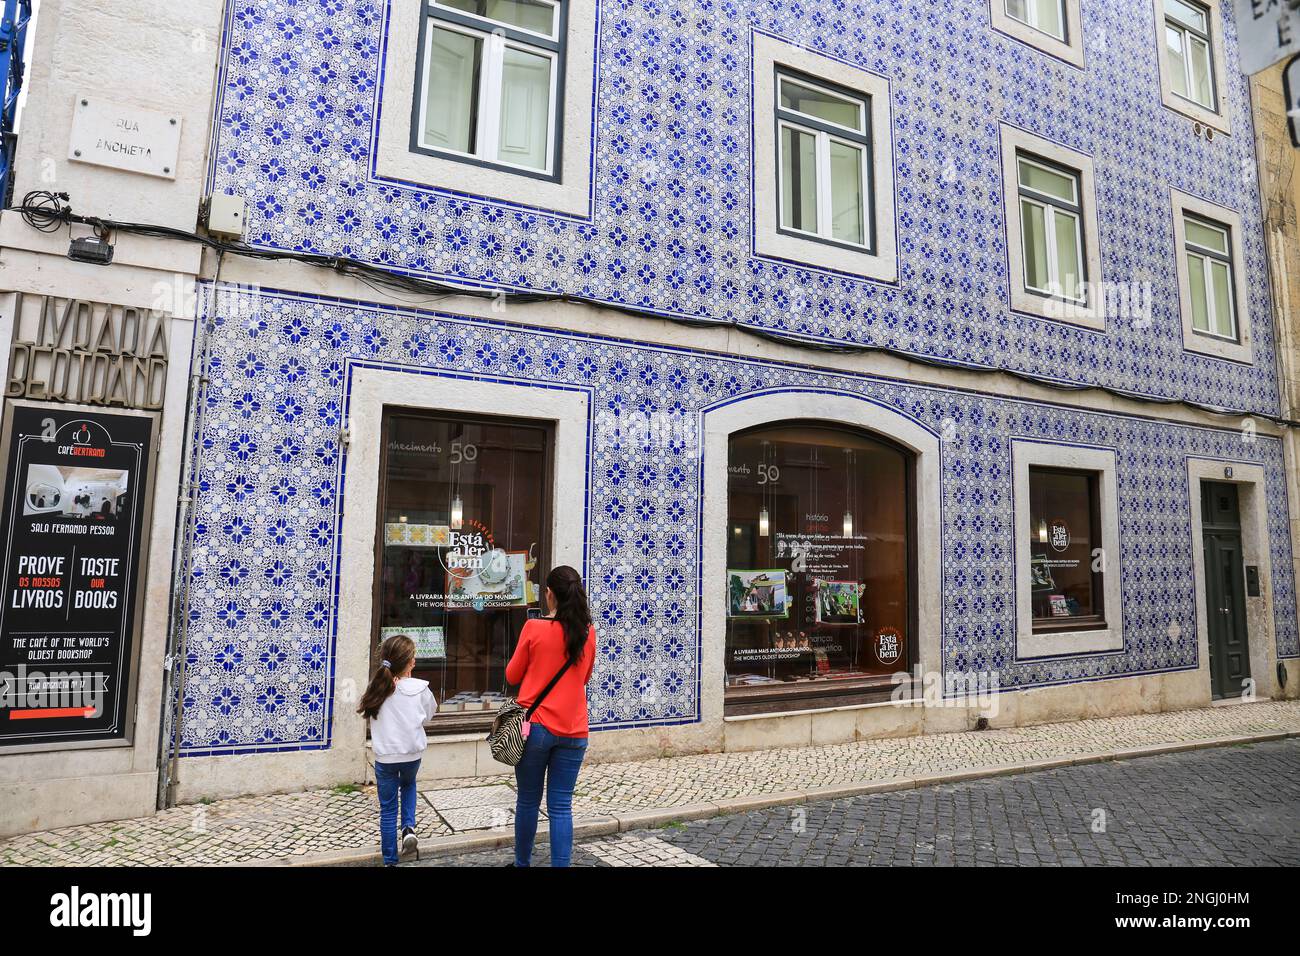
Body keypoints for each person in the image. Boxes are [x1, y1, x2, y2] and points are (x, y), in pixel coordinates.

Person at [505, 565, 597, 867]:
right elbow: (583, 678)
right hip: (574, 730)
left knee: (528, 801)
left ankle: (522, 863)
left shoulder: (534, 628)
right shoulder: (587, 632)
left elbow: (512, 675)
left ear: (549, 594)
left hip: (536, 729)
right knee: (561, 807)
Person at [357, 633, 437, 866]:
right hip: (412, 754)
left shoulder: (376, 689)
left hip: (386, 758)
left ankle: (390, 860)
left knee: (388, 810)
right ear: (409, 663)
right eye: (413, 658)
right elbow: (429, 716)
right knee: (409, 784)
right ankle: (409, 828)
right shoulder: (421, 689)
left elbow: (368, 714)